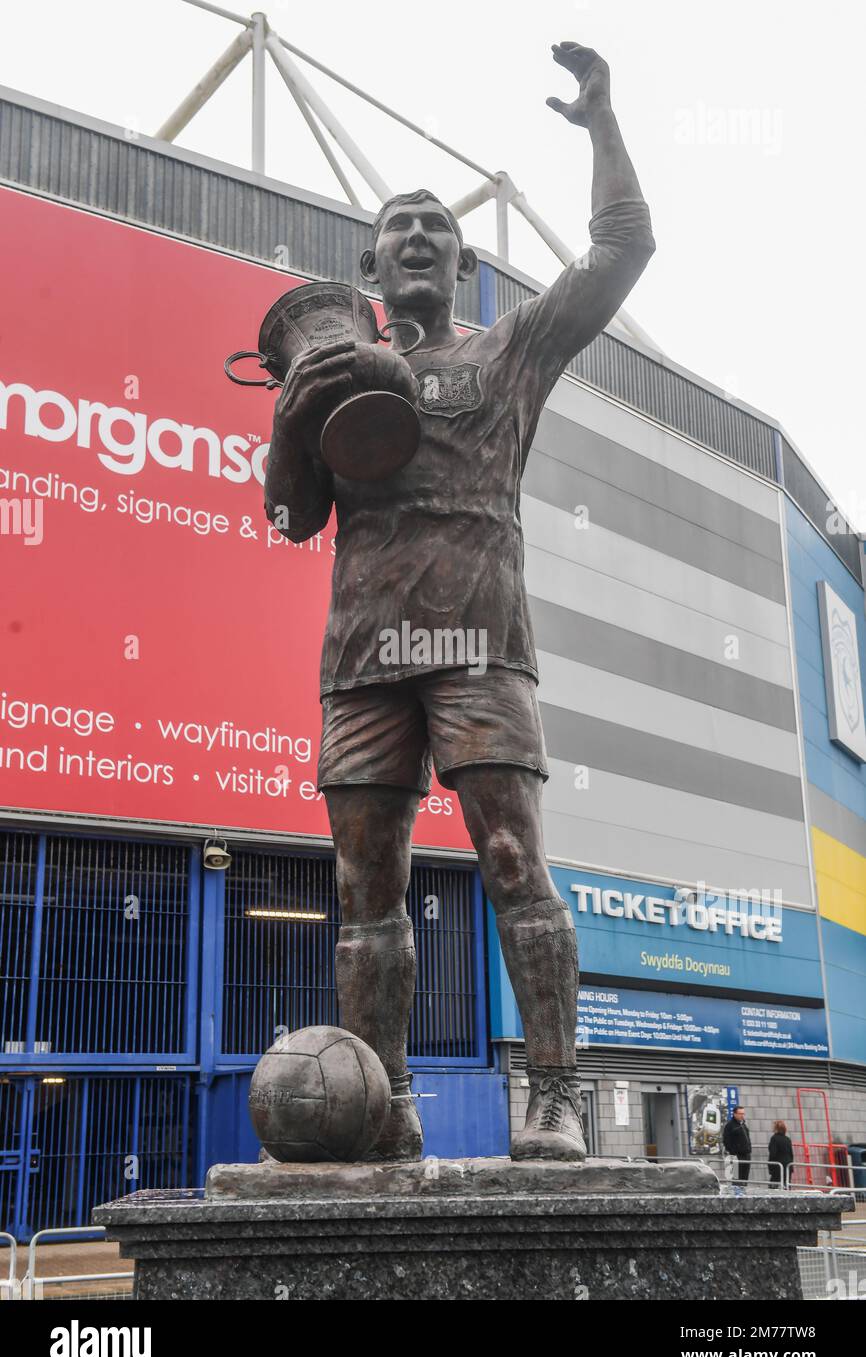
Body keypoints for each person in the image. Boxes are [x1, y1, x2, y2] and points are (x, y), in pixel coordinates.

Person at [264, 41, 655, 1162]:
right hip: (362, 660)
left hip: (480, 643)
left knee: (511, 864)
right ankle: (381, 1105)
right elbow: (290, 516)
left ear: (463, 262)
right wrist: (291, 413)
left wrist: (600, 128)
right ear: (371, 269)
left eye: (438, 222)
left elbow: (622, 248)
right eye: (401, 225)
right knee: (361, 891)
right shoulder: (328, 375)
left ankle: (555, 1095)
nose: (422, 234)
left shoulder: (508, 353)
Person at [723, 1105, 752, 1190]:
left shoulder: (743, 1125)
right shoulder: (730, 1125)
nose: (742, 1115)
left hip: (746, 1155)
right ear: (734, 1114)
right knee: (736, 1178)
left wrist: (749, 1148)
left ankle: (743, 1194)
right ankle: (737, 1196)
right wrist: (733, 1151)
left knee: (744, 1178)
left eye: (743, 1113)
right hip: (736, 1156)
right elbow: (726, 1141)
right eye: (740, 1114)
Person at [768, 1120, 794, 1189]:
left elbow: (772, 1154)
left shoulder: (774, 1139)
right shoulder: (787, 1139)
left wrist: (770, 1167)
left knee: (773, 1186)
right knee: (787, 1185)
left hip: (778, 1166)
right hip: (788, 1165)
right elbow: (791, 1154)